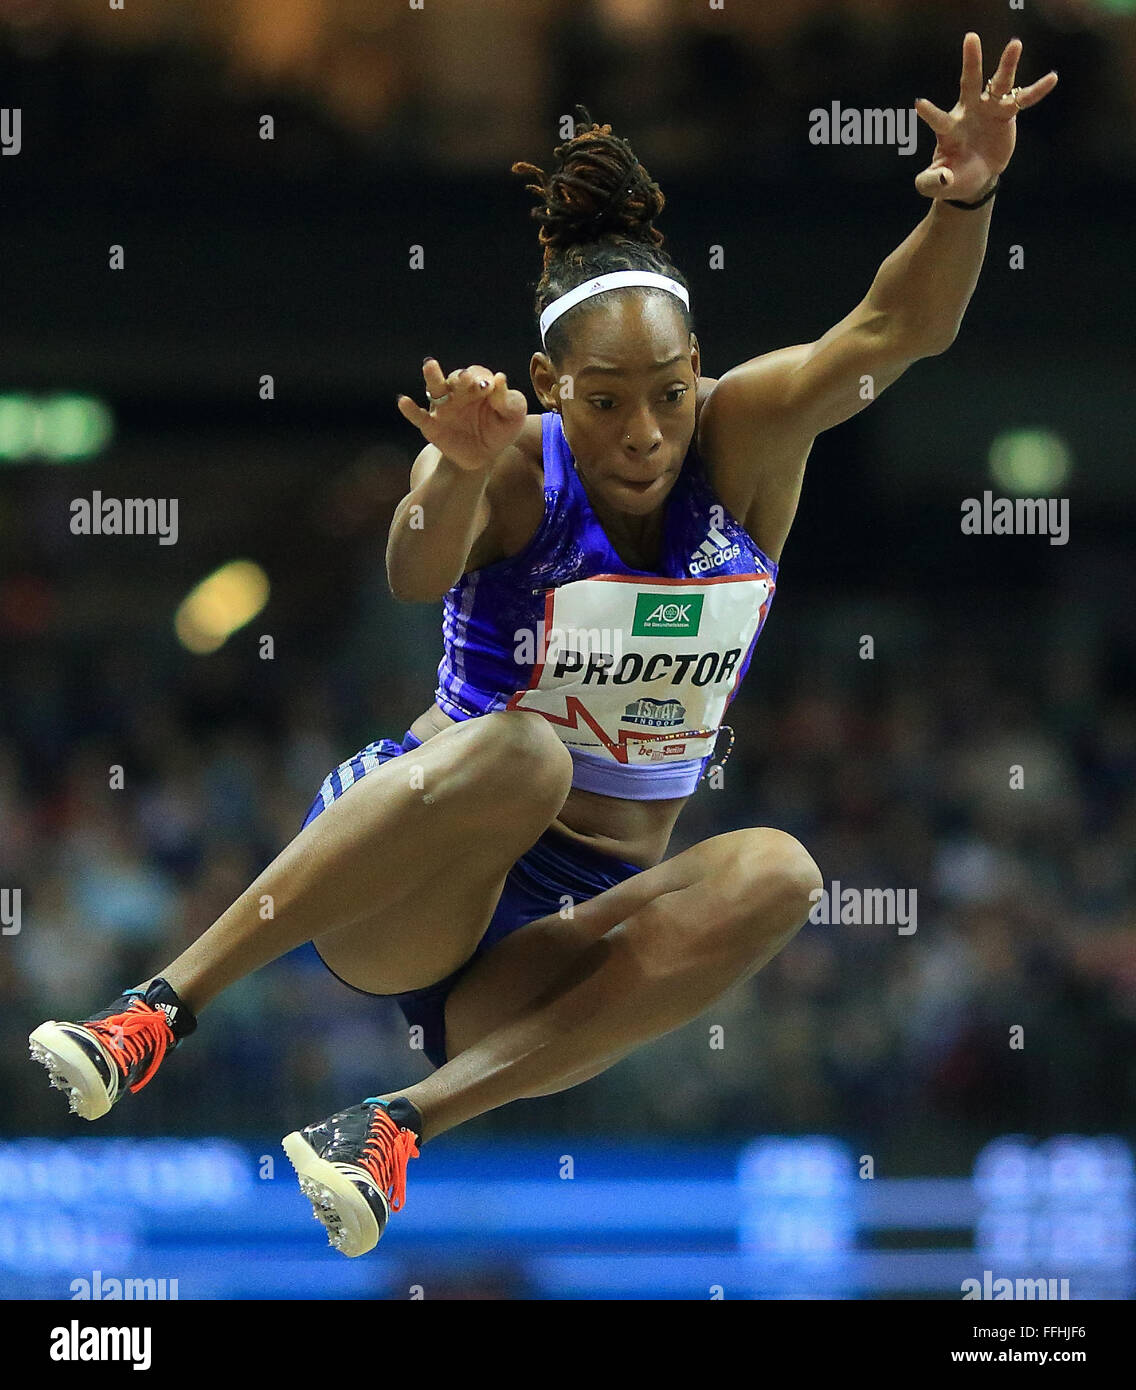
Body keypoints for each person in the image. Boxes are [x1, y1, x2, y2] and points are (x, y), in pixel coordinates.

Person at [29, 36, 1055, 1259]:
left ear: (695, 373)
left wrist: (969, 194)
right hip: (414, 863)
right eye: (607, 398)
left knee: (779, 868)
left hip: (554, 938)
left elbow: (895, 329)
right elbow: (414, 568)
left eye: (668, 392)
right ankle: (155, 1008)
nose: (643, 432)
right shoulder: (507, 453)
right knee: (524, 757)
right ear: (547, 383)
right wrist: (452, 475)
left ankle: (392, 1126)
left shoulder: (746, 438)